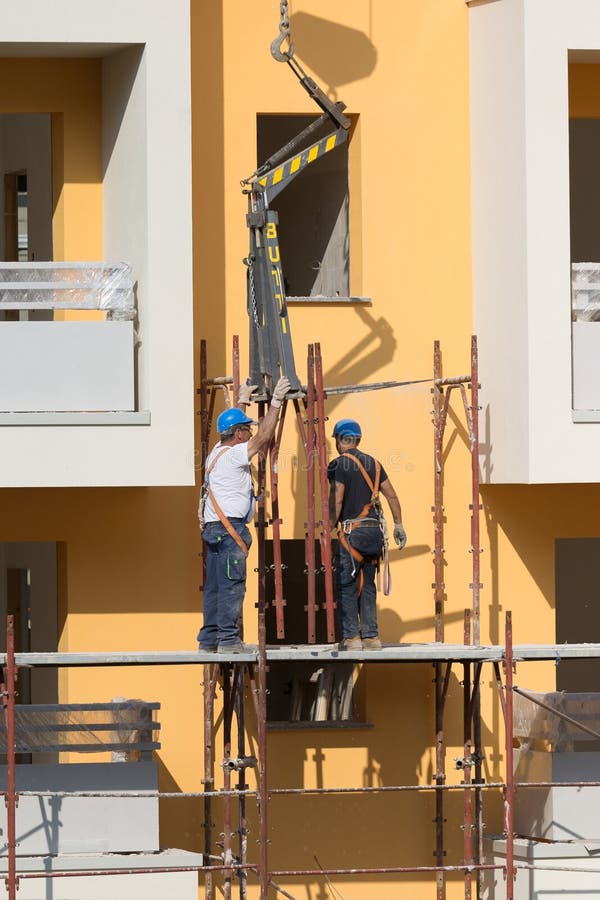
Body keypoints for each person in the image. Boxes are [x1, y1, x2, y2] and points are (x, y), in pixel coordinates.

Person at [198, 375, 290, 652]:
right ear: (238, 434)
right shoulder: (237, 454)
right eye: (246, 429)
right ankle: (228, 640)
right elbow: (263, 437)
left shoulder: (216, 450)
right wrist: (275, 403)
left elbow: (240, 429)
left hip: (215, 528)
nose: (251, 432)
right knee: (231, 585)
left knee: (215, 586)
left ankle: (210, 639)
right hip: (230, 531)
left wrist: (242, 401)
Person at [327, 418, 407, 650]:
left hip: (353, 533)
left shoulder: (340, 464)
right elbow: (391, 495)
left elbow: (337, 498)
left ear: (341, 440)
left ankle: (352, 638)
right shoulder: (375, 464)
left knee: (347, 584)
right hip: (375, 534)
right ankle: (371, 637)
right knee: (368, 583)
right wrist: (399, 525)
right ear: (358, 439)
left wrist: (329, 526)